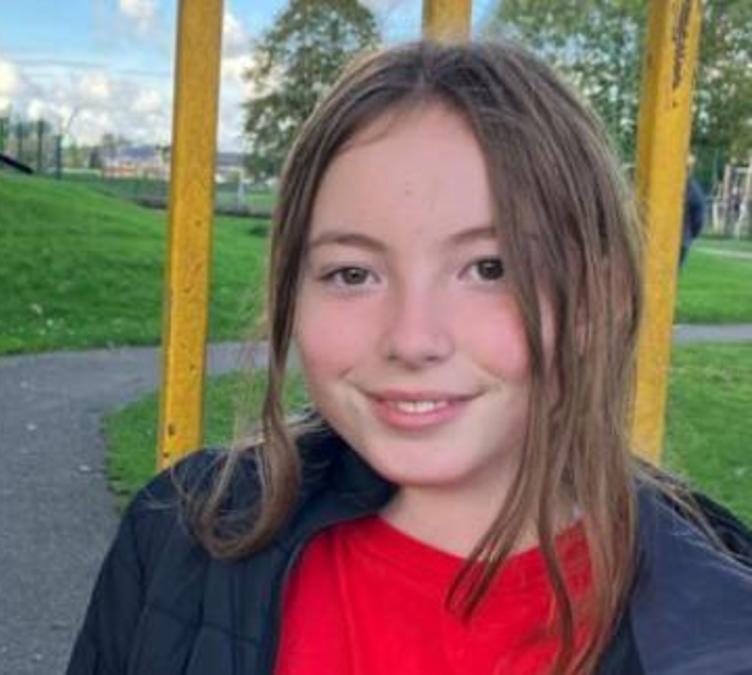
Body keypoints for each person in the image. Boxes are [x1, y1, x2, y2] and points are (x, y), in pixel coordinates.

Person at [67, 41, 752, 675]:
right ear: (290, 291)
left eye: (491, 266)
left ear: (604, 298)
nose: (412, 337)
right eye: (352, 273)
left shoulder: (725, 623)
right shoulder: (179, 534)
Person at [680, 160, 706, 267]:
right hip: (683, 239)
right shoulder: (695, 191)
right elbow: (698, 220)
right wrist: (690, 235)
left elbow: (698, 220)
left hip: (679, 239)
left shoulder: (692, 191)